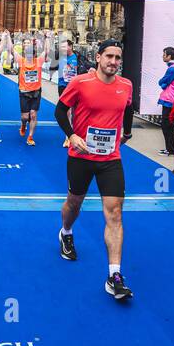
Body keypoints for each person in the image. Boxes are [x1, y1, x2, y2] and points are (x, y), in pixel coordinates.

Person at [55, 40, 136, 300]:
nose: (114, 62)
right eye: (109, 56)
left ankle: (114, 276)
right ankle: (66, 232)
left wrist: (127, 132)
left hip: (110, 159)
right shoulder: (81, 82)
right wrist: (72, 134)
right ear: (99, 57)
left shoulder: (126, 85)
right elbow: (60, 110)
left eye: (118, 57)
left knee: (114, 214)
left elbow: (129, 107)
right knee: (74, 203)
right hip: (80, 155)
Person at [12, 34, 44, 145]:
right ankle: (23, 125)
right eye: (27, 53)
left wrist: (48, 38)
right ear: (25, 54)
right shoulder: (21, 61)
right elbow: (11, 50)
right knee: (25, 116)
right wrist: (7, 38)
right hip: (24, 92)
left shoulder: (38, 61)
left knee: (33, 115)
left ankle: (30, 137)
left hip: (36, 92)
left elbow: (47, 50)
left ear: (34, 54)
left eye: (31, 53)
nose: (29, 55)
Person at [156, 47, 174, 157]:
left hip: (169, 100)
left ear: (169, 56)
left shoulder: (172, 69)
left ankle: (170, 149)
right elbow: (165, 83)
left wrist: (162, 83)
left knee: (167, 125)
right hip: (171, 99)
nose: (162, 56)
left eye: (164, 54)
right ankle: (170, 149)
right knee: (168, 125)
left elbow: (163, 81)